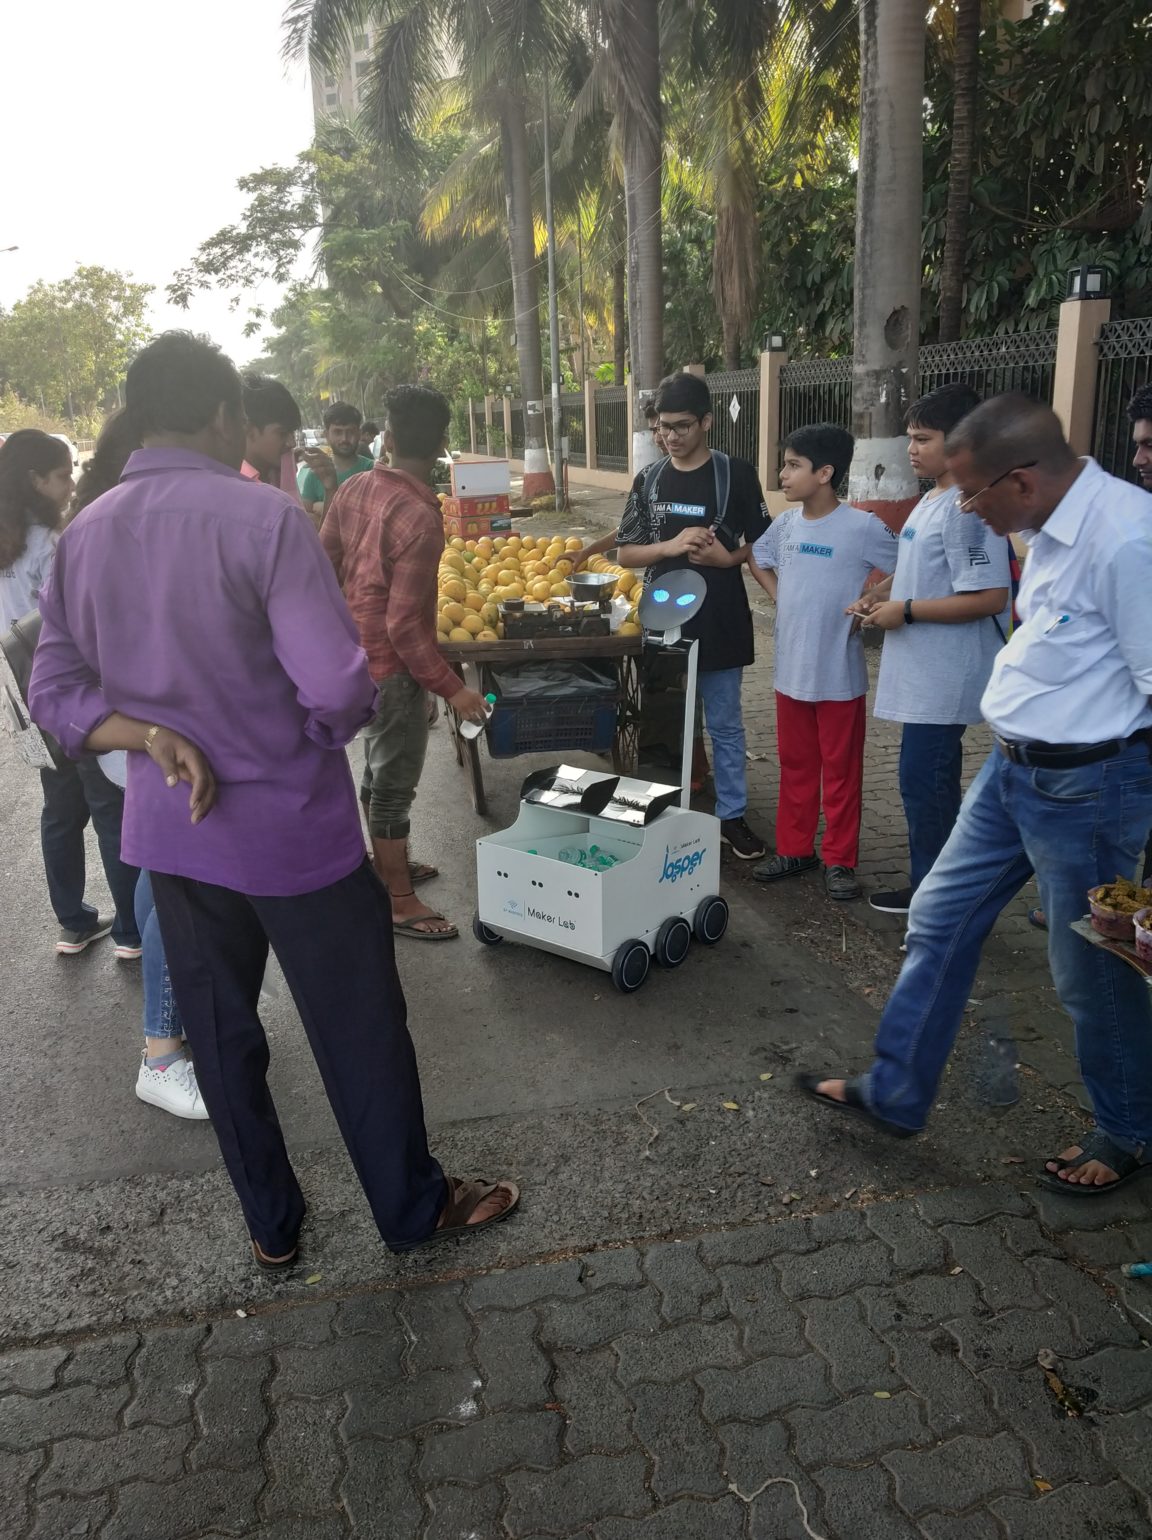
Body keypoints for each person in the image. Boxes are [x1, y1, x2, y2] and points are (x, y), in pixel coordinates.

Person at [30, 332, 517, 1266]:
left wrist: (152, 736)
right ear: (222, 416)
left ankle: (272, 1228)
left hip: (173, 835)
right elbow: (336, 691)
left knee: (220, 1036)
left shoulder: (84, 533)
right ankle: (412, 1211)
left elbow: (55, 693)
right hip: (295, 834)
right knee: (357, 1025)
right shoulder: (263, 518)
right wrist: (310, 734)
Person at [797, 396, 1152, 1195]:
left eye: (970, 492)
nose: (963, 508)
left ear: (1018, 481)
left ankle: (1128, 1126)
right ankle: (894, 1091)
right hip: (1011, 771)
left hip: (1088, 786)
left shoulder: (1128, 538)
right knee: (938, 916)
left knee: (1086, 972)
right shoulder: (1048, 522)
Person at [71, 412, 206, 1119]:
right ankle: (161, 1051)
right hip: (145, 742)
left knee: (159, 883)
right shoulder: (117, 533)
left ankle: (171, 1031)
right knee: (172, 893)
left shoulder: (98, 526)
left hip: (137, 742)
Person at [321, 384, 489, 941]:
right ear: (441, 444)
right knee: (393, 785)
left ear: (386, 439)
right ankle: (397, 899)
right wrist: (452, 688)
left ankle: (384, 862)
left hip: (354, 660)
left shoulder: (354, 489)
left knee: (377, 772)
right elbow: (403, 625)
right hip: (390, 671)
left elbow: (327, 558)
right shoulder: (420, 518)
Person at [852, 383, 1011, 915]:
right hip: (923, 670)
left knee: (927, 783)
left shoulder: (969, 505)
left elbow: (989, 595)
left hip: (947, 673)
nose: (911, 449)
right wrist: (881, 592)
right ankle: (935, 889)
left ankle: (940, 898)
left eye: (923, 438)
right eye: (910, 438)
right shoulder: (934, 496)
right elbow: (921, 569)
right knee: (925, 782)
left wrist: (908, 610)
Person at [616, 373, 770, 859]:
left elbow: (768, 540)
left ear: (706, 421)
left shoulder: (736, 474)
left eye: (682, 426)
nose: (671, 436)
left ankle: (733, 817)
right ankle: (663, 815)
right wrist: (670, 545)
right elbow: (625, 552)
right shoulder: (650, 479)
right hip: (664, 622)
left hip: (721, 618)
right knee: (664, 722)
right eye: (663, 427)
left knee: (725, 724)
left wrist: (730, 559)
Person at [0, 429, 141, 958]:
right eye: (63, 474)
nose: (72, 482)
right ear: (36, 480)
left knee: (58, 809)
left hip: (23, 694)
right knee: (107, 807)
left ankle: (72, 921)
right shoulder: (54, 544)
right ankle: (130, 931)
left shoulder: (8, 541)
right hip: (70, 692)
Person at [749, 425, 898, 900]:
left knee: (841, 771)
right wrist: (782, 597)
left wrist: (872, 598)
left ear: (825, 473)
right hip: (790, 673)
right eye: (785, 463)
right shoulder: (787, 525)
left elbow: (912, 566)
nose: (783, 473)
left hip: (839, 676)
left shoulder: (862, 526)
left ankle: (839, 859)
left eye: (793, 465)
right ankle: (795, 849)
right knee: (795, 765)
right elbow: (758, 556)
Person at [296, 400, 374, 523]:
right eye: (338, 432)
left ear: (359, 434)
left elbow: (373, 516)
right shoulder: (316, 472)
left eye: (350, 432)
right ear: (327, 435)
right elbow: (305, 521)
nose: (344, 439)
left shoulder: (371, 470)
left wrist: (322, 507)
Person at [241, 374, 305, 508]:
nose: (292, 443)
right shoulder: (238, 486)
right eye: (282, 433)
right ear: (250, 431)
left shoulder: (279, 474)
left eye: (292, 433)